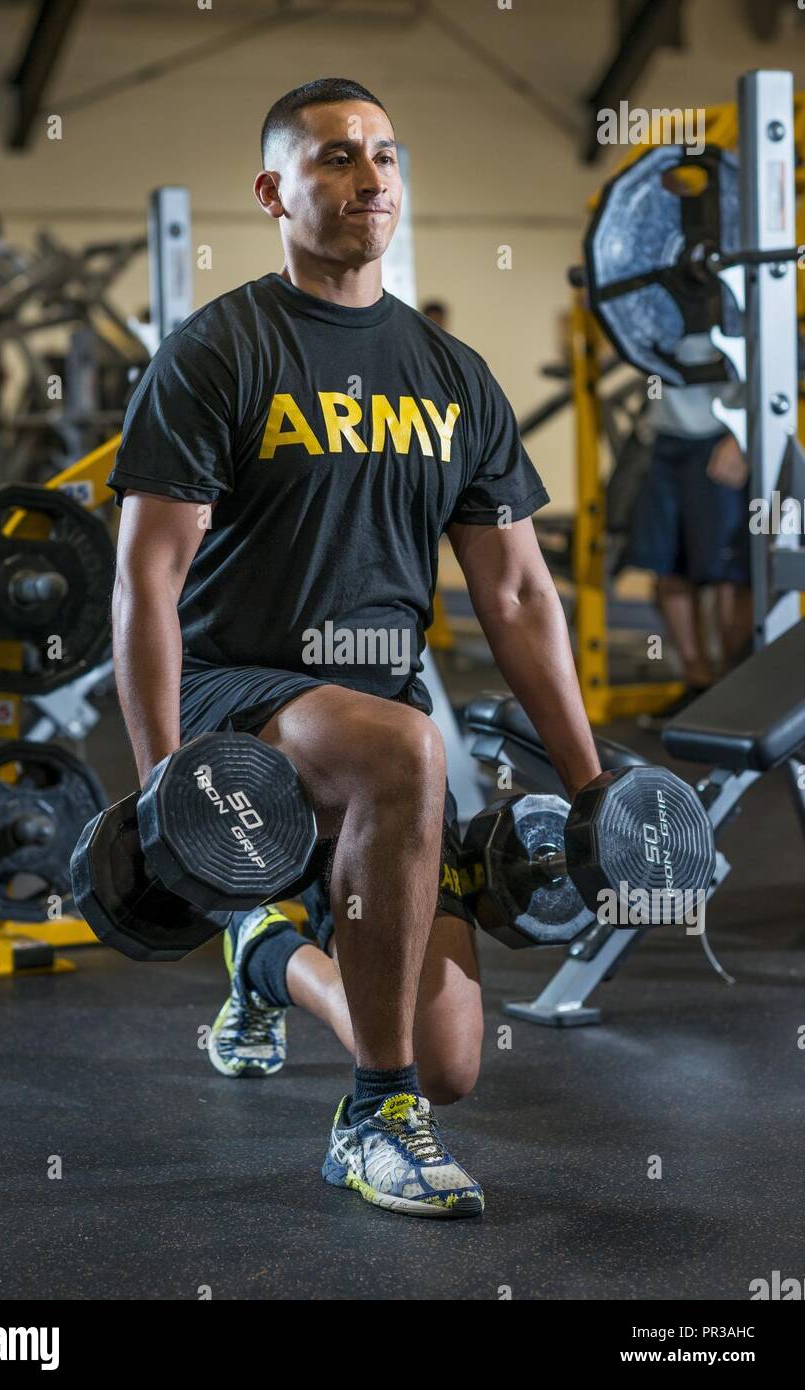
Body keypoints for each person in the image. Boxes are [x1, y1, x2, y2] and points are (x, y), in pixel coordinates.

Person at [107, 77, 602, 1220]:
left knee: (457, 1060)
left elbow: (521, 590)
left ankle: (264, 953)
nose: (368, 176)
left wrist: (588, 790)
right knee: (404, 749)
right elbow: (147, 578)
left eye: (384, 154)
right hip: (242, 688)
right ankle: (372, 1118)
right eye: (335, 156)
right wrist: (162, 787)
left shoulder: (451, 376)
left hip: (375, 711)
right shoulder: (218, 351)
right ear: (276, 192)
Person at [623, 335, 752, 709]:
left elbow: (766, 363)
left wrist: (742, 437)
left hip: (720, 437)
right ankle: (698, 686)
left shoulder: (731, 291)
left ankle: (733, 691)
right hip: (664, 441)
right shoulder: (650, 299)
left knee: (727, 575)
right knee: (667, 569)